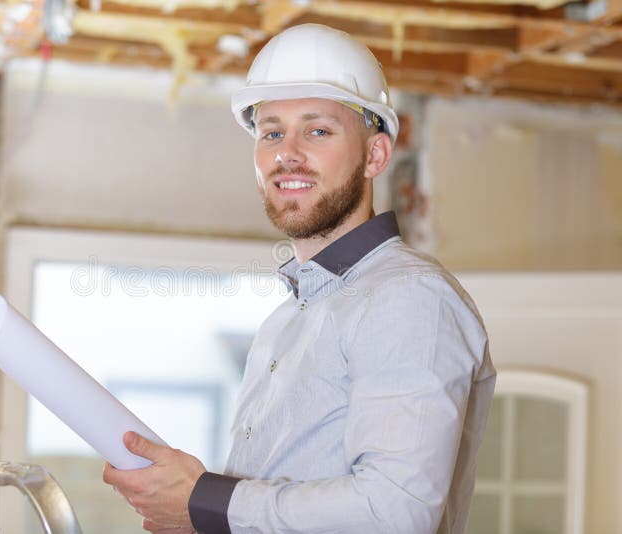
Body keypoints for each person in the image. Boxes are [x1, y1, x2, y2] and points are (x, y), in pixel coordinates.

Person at [103, 23, 496, 534]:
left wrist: (207, 502)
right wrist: (194, 511)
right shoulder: (285, 322)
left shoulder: (409, 298)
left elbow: (396, 511)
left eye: (317, 131)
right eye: (271, 133)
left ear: (375, 155)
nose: (286, 153)